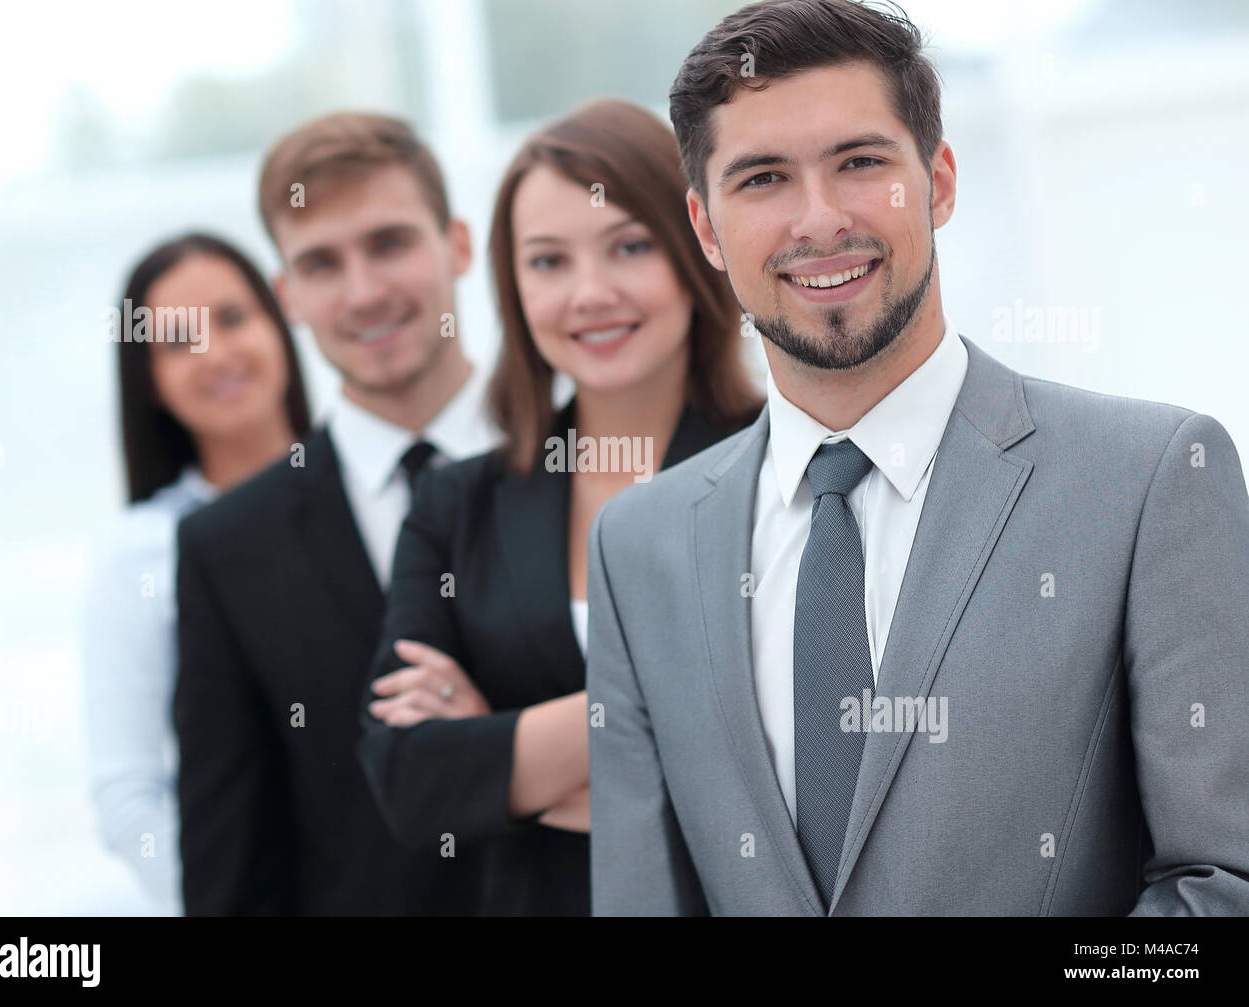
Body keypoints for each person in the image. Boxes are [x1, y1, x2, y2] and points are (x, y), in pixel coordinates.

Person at [587, 0, 1249, 916]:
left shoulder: (1149, 479)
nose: (818, 221)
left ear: (937, 181)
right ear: (705, 226)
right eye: (764, 178)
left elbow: (1221, 885)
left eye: (859, 163)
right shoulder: (639, 545)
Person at [356, 98, 763, 916]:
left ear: (696, 245)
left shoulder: (785, 468)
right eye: (547, 262)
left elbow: (805, 743)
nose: (590, 293)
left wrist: (510, 759)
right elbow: (410, 777)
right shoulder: (454, 503)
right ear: (512, 285)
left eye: (630, 246)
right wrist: (669, 726)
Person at [172, 113, 500, 915]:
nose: (363, 292)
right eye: (322, 263)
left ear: (457, 245)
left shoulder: (587, 465)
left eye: (389, 243)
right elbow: (231, 864)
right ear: (287, 295)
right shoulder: (226, 546)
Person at [83, 233, 312, 914]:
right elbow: (128, 791)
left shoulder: (376, 486)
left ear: (281, 317)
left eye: (233, 317)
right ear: (146, 378)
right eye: (177, 342)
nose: (215, 354)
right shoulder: (141, 552)